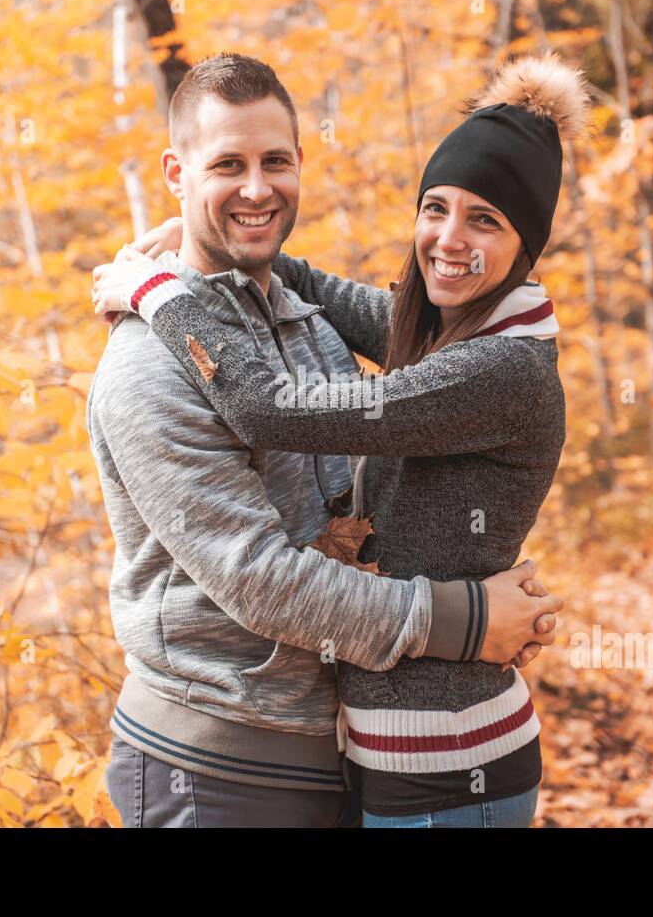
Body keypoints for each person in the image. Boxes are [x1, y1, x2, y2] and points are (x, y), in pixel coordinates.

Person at [92, 51, 588, 827]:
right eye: (228, 165)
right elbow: (257, 577)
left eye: (275, 164)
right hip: (222, 766)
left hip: (418, 757)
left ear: (527, 246)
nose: (450, 239)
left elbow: (264, 404)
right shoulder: (153, 366)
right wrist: (465, 620)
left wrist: (172, 277)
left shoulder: (488, 364)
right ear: (175, 173)